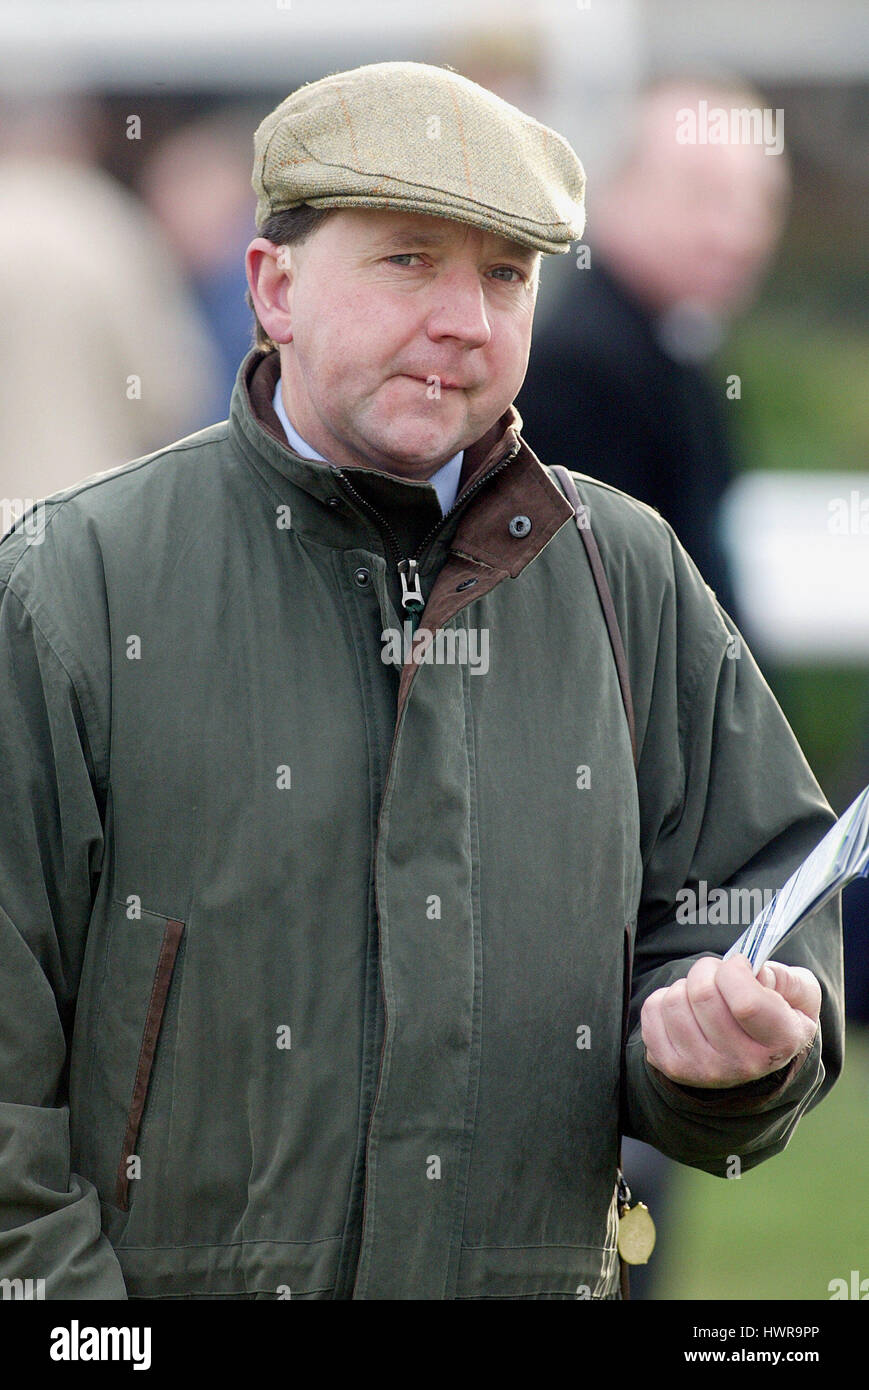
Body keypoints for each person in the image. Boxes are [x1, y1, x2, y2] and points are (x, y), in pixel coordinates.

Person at [0, 61, 843, 1301]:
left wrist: (722, 1047)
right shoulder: (72, 584)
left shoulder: (629, 574)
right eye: (408, 260)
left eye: (504, 274)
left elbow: (752, 901)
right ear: (271, 287)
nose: (464, 317)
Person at [518, 76, 791, 620]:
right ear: (620, 189)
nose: (740, 232)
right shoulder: (587, 368)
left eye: (764, 202)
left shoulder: (666, 341)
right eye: (703, 195)